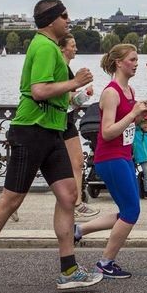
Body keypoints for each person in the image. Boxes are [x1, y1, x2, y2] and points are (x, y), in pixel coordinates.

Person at [0, 0, 103, 293]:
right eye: (64, 16)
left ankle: (69, 270)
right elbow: (38, 91)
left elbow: (52, 94)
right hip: (32, 130)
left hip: (51, 131)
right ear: (50, 20)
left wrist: (71, 93)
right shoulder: (45, 47)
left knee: (68, 195)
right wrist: (75, 83)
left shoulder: (48, 46)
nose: (68, 20)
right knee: (11, 201)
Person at [73, 43, 147, 278]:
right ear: (119, 62)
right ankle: (105, 263)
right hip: (110, 158)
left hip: (124, 156)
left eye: (137, 60)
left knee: (126, 211)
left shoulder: (130, 91)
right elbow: (106, 132)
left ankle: (79, 231)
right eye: (132, 60)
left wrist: (141, 119)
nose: (136, 64)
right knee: (131, 212)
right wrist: (132, 114)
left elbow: (127, 125)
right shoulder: (111, 92)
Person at [59, 33, 99, 220]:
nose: (76, 49)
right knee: (34, 165)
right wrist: (80, 92)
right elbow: (66, 98)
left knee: (77, 162)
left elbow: (72, 102)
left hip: (67, 120)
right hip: (55, 122)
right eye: (72, 45)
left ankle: (77, 203)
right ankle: (14, 200)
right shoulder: (60, 69)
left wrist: (85, 95)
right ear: (62, 48)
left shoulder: (67, 70)